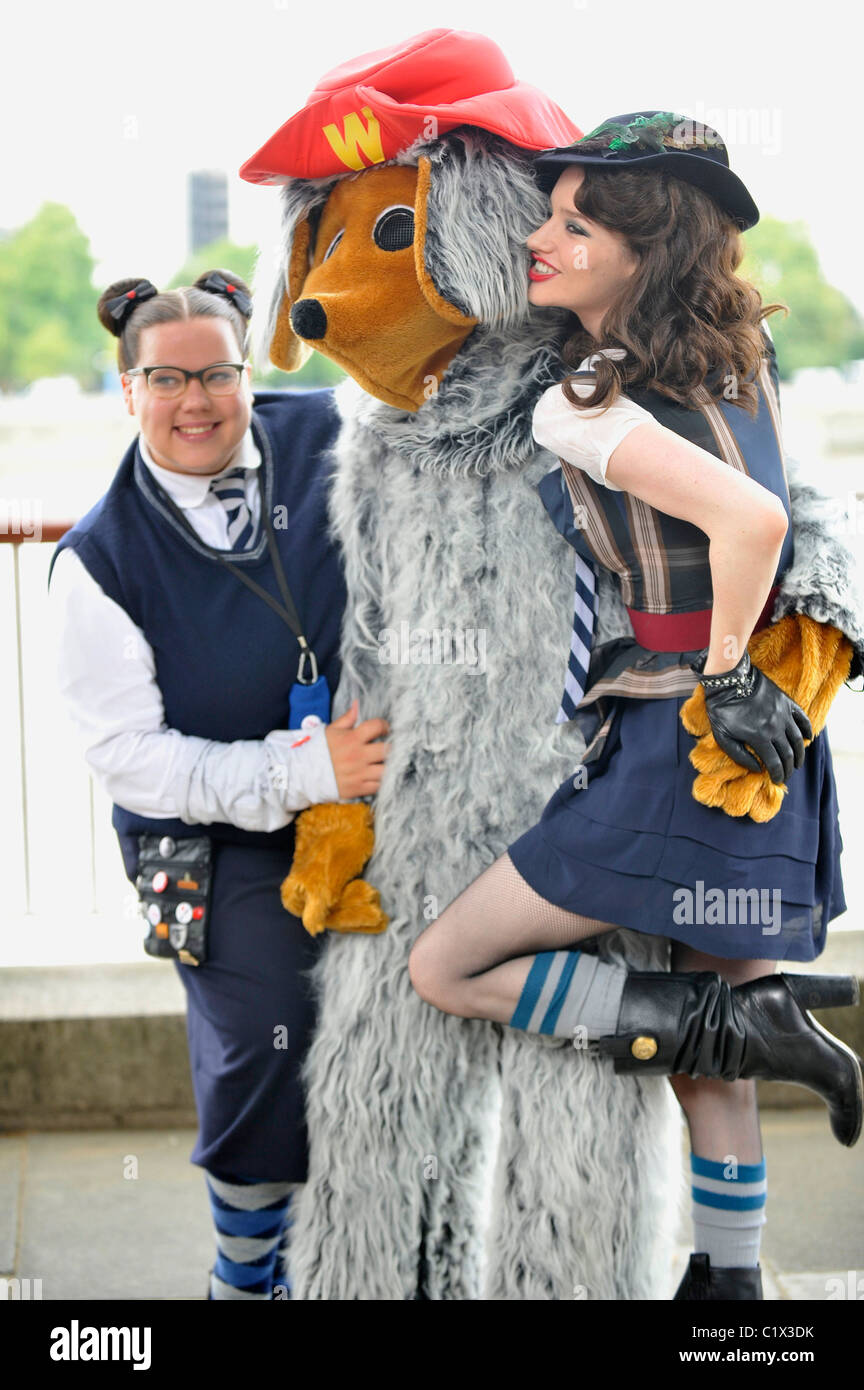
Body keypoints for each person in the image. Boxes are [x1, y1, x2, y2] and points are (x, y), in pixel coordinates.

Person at [408, 113, 863, 1301]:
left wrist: (717, 670)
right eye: (547, 212)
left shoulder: (578, 403)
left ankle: (696, 1017)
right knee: (722, 1047)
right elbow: (785, 515)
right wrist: (751, 672)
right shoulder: (740, 358)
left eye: (575, 224)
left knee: (449, 965)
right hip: (766, 740)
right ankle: (733, 1287)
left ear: (640, 254)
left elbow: (752, 525)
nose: (539, 239)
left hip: (683, 730)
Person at [48, 270, 391, 1299]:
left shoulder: (336, 427)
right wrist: (301, 769)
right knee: (257, 1043)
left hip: (370, 806)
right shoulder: (95, 563)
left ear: (249, 372)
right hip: (206, 841)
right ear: (126, 390)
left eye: (216, 374)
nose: (194, 401)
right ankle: (244, 1283)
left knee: (404, 1023)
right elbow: (134, 760)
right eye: (166, 379)